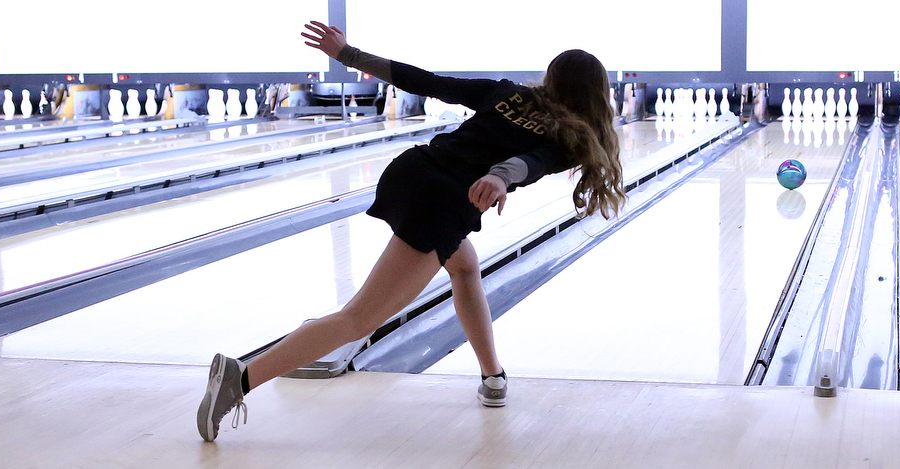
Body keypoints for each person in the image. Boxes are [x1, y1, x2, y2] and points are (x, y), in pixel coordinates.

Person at [196, 20, 626, 442]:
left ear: (550, 78)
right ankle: (240, 378)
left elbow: (427, 82)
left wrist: (347, 54)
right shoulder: (570, 138)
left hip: (412, 170)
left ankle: (492, 376)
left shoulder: (507, 92)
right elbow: (530, 163)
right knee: (360, 318)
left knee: (464, 266)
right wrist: (499, 177)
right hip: (440, 201)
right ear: (596, 97)